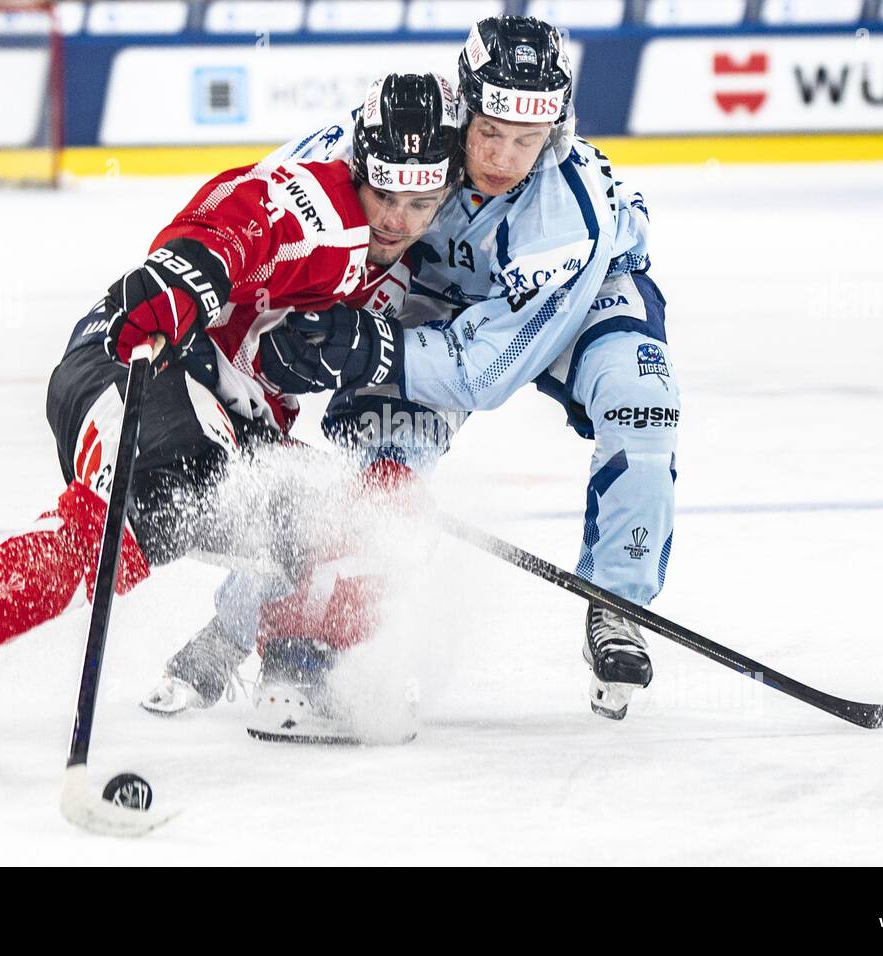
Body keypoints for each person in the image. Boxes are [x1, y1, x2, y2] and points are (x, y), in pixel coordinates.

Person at [0, 72, 461, 747]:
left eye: (420, 199)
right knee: (161, 497)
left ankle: (297, 677)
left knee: (364, 515)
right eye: (384, 190)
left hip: (226, 424)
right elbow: (242, 216)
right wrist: (189, 271)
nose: (396, 216)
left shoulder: (394, 276)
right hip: (135, 362)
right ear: (358, 169)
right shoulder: (322, 206)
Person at [150, 16, 679, 724]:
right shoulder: (407, 130)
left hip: (573, 303)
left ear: (553, 130)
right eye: (489, 131)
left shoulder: (566, 216)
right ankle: (238, 626)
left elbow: (488, 371)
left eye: (527, 141)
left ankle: (617, 603)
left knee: (640, 403)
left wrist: (369, 346)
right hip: (430, 307)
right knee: (373, 484)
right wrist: (191, 285)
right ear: (464, 104)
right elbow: (273, 195)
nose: (502, 157)